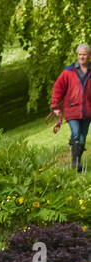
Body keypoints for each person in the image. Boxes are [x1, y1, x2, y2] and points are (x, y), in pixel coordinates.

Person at [51, 43, 91, 172]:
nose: (82, 57)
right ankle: (75, 161)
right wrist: (56, 106)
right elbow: (58, 88)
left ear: (89, 56)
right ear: (77, 56)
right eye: (80, 54)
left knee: (83, 138)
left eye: (84, 55)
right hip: (72, 109)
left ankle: (77, 161)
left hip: (88, 111)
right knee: (76, 132)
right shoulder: (68, 71)